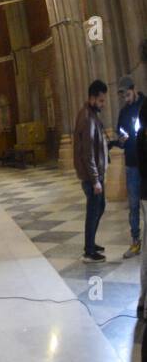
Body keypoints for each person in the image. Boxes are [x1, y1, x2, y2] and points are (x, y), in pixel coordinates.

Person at [73, 79, 110, 263]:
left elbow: (97, 145)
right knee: (93, 210)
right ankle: (89, 251)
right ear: (93, 98)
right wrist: (95, 179)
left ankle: (91, 242)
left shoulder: (92, 114)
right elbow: (87, 153)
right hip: (91, 176)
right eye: (102, 100)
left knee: (99, 207)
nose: (103, 104)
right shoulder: (87, 118)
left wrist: (114, 143)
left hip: (96, 174)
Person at [112, 75, 143, 260]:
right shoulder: (123, 113)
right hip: (131, 164)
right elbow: (120, 133)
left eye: (127, 94)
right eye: (123, 96)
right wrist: (121, 140)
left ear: (133, 89)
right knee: (133, 205)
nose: (126, 98)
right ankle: (135, 242)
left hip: (145, 162)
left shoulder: (144, 105)